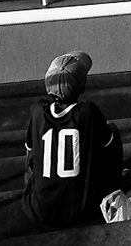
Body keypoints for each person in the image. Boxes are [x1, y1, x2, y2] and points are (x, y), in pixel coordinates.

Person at [22, 51, 123, 229]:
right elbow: (108, 147)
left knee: (32, 154)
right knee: (111, 134)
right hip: (83, 209)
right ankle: (116, 184)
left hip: (40, 209)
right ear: (82, 87)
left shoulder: (37, 110)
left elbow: (30, 156)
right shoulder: (88, 112)